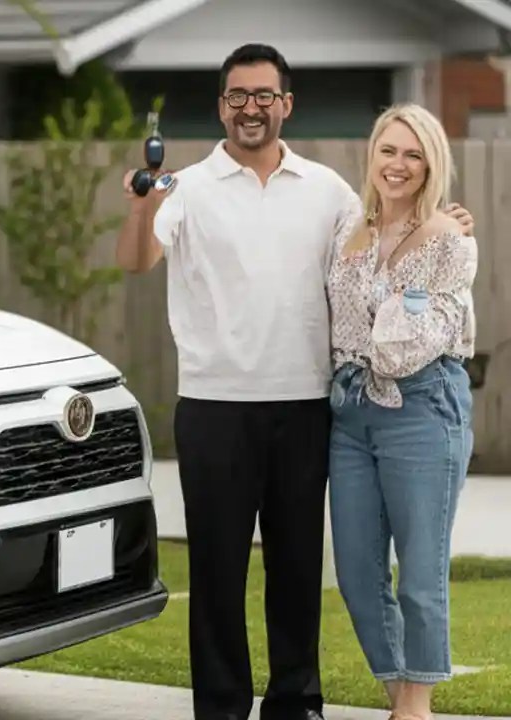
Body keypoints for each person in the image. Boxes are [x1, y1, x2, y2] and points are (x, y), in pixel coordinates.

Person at [113, 43, 475, 720]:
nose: (250, 108)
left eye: (263, 95)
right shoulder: (183, 188)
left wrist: (439, 227)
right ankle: (221, 707)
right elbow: (137, 261)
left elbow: (381, 241)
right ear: (222, 106)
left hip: (308, 406)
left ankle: (296, 702)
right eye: (237, 96)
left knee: (298, 569)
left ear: (285, 104)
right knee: (218, 572)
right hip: (214, 407)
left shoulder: (328, 190)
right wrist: (140, 206)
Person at [325, 103, 477, 720]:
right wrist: (393, 306)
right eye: (388, 150)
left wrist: (382, 317)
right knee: (357, 575)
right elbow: (334, 320)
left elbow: (409, 345)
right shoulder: (347, 230)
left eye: (414, 154)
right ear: (372, 156)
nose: (398, 164)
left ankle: (416, 705)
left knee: (419, 572)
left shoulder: (450, 240)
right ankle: (399, 696)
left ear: (431, 164)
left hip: (423, 406)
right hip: (350, 413)